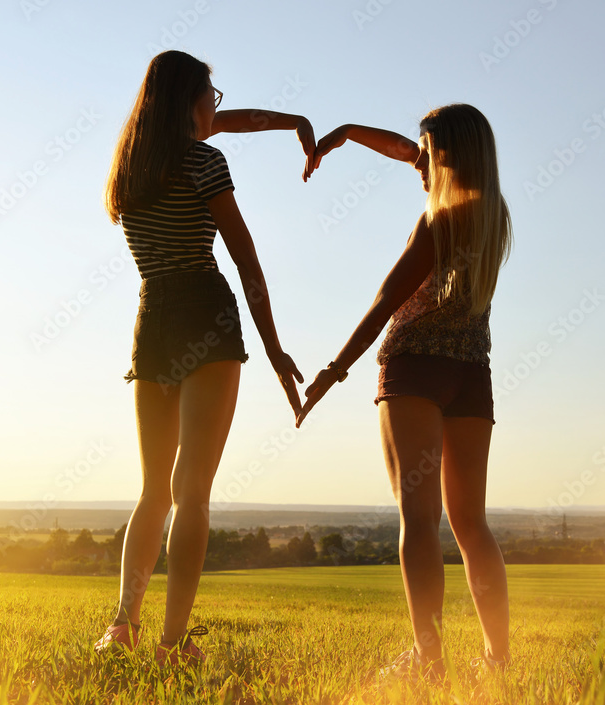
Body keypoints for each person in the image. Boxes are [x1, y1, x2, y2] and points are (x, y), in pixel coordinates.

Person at [94, 49, 313, 666]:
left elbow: (231, 120)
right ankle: (170, 644)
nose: (217, 109)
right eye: (210, 97)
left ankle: (122, 627)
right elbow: (245, 259)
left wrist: (289, 120)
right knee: (192, 492)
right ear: (190, 100)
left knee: (153, 493)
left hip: (152, 315)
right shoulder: (203, 162)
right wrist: (272, 349)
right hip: (206, 313)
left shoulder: (130, 169)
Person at [298, 104, 513, 678]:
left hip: (415, 369)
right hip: (472, 375)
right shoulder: (494, 215)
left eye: (427, 155)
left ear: (445, 158)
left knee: (419, 522)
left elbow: (382, 305)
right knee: (472, 525)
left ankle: (429, 658)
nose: (416, 163)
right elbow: (402, 149)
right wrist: (345, 134)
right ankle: (498, 659)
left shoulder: (436, 222)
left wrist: (330, 372)